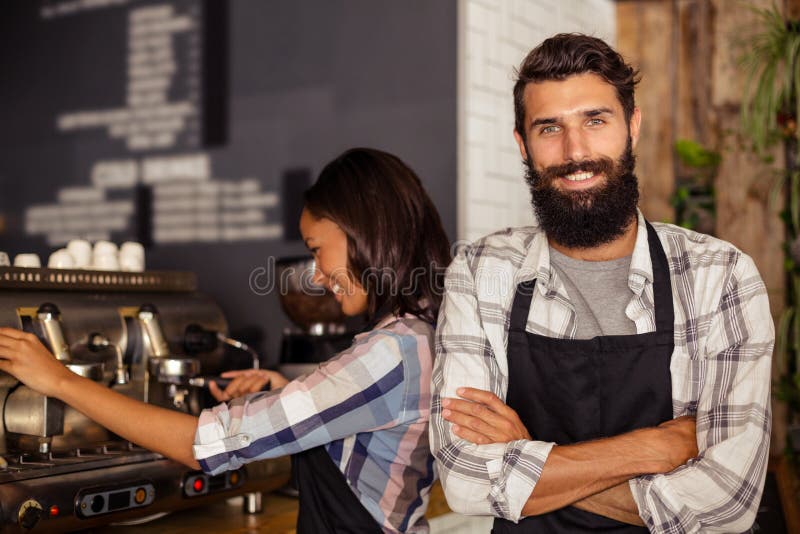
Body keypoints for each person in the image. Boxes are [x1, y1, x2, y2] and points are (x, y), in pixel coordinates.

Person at [0, 147, 452, 534]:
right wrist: (284, 391)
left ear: (365, 231)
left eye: (316, 249)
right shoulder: (414, 336)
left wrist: (60, 381)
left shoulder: (390, 352)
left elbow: (203, 445)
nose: (315, 274)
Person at [430, 33, 773, 533]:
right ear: (522, 145)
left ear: (632, 126)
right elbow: (464, 484)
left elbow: (727, 502)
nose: (576, 152)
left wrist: (531, 464)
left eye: (595, 120)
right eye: (549, 128)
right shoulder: (482, 272)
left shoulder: (720, 276)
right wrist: (656, 449)